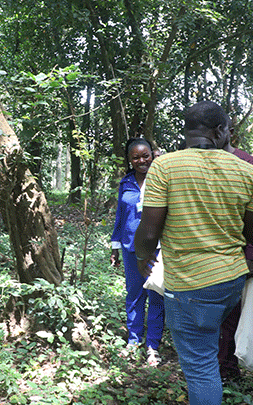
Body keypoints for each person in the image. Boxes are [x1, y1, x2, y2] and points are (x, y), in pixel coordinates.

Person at [134, 101, 253, 405]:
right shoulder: (246, 169)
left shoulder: (165, 166)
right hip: (230, 281)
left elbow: (149, 232)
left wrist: (141, 257)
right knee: (207, 352)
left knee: (200, 368)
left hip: (190, 285)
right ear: (219, 130)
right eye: (229, 128)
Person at [110, 137, 164, 367]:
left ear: (153, 155)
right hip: (130, 247)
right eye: (136, 157)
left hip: (158, 248)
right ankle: (133, 341)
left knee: (156, 296)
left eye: (146, 156)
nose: (142, 161)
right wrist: (114, 246)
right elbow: (120, 217)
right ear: (130, 160)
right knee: (134, 296)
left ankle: (153, 346)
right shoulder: (126, 183)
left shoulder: (162, 180)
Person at [217, 124, 253, 382]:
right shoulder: (197, 158)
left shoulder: (247, 163)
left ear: (228, 131)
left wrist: (251, 255)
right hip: (205, 254)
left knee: (232, 315)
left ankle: (228, 368)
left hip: (236, 251)